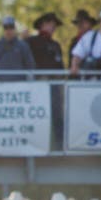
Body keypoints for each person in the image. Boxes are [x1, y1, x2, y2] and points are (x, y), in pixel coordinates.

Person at [26, 12, 65, 149]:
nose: (53, 27)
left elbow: (61, 68)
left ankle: (59, 144)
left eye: (54, 25)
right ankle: (36, 144)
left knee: (57, 114)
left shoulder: (55, 45)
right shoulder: (31, 41)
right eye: (50, 24)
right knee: (38, 114)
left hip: (54, 84)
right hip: (38, 85)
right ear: (42, 24)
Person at [70, 9, 101, 77]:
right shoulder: (89, 37)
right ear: (100, 22)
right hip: (92, 81)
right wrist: (74, 65)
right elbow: (77, 54)